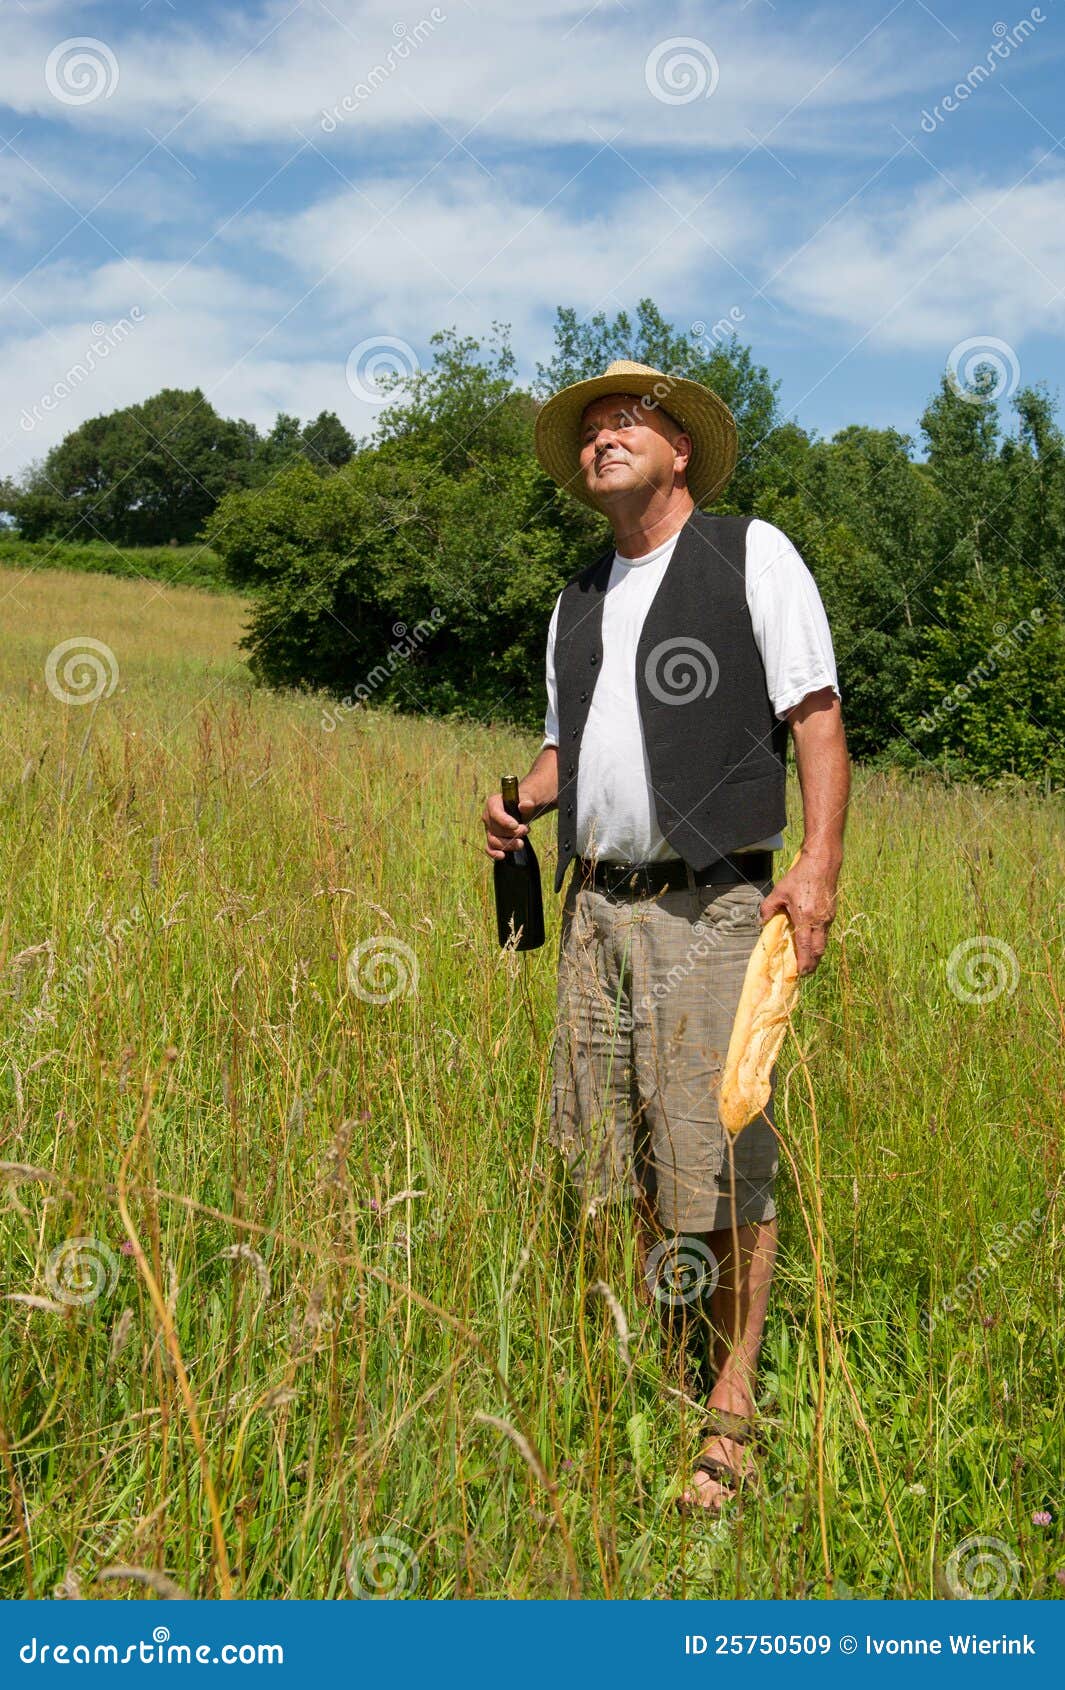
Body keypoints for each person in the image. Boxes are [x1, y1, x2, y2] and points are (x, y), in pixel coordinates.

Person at [480, 359, 850, 1512]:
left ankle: (731, 1412)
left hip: (713, 905)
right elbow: (567, 748)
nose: (603, 438)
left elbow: (817, 717)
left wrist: (820, 868)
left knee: (725, 1162)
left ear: (679, 447)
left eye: (626, 421)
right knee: (624, 1160)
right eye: (589, 430)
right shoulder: (577, 599)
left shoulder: (751, 553)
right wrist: (522, 799)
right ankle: (668, 1361)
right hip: (595, 908)